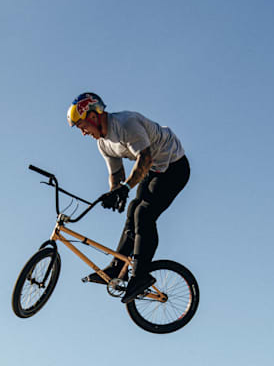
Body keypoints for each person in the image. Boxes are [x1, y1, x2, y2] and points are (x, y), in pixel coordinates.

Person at [67, 92, 190, 303]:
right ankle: (116, 269)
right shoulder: (103, 143)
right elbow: (116, 174)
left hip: (174, 168)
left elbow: (146, 158)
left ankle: (141, 276)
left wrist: (125, 188)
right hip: (154, 170)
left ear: (94, 117)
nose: (83, 133)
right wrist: (115, 192)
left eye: (82, 126)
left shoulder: (126, 124)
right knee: (133, 209)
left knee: (144, 213)